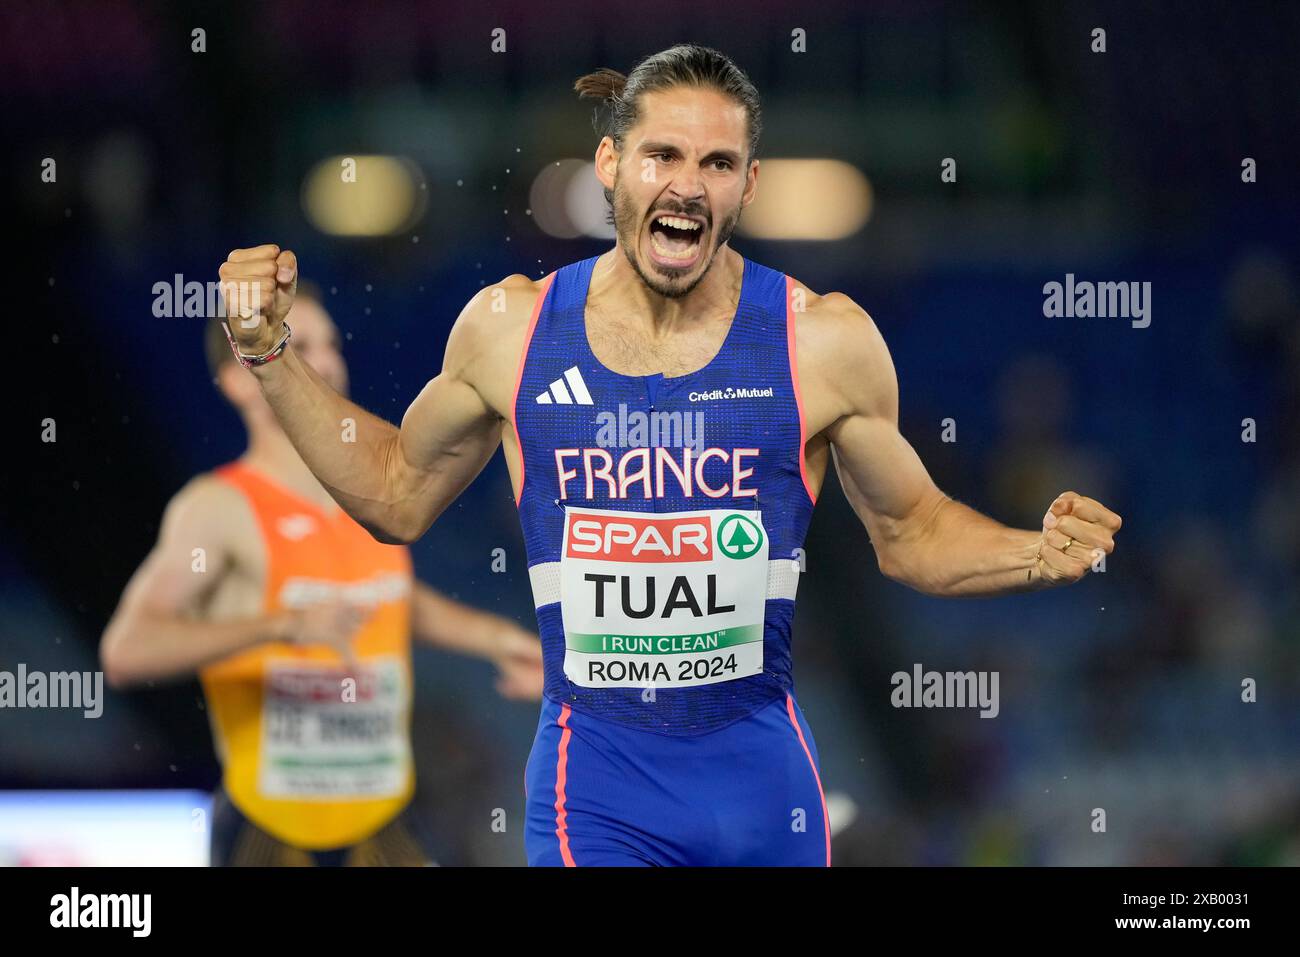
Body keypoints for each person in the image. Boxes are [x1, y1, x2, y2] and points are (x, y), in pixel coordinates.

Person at [213, 44, 1122, 866]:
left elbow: (912, 532)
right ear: (612, 167)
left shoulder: (822, 341)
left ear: (748, 186)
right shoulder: (512, 331)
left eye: (717, 163)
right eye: (663, 156)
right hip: (595, 790)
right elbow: (393, 493)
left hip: (765, 787)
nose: (688, 186)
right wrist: (268, 351)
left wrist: (1029, 552)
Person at [100, 286, 543, 866]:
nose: (329, 360)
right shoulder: (218, 508)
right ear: (239, 379)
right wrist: (282, 624)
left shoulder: (372, 496)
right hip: (272, 831)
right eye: (298, 344)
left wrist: (497, 640)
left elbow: (388, 595)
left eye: (332, 343)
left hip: (384, 822)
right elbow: (127, 651)